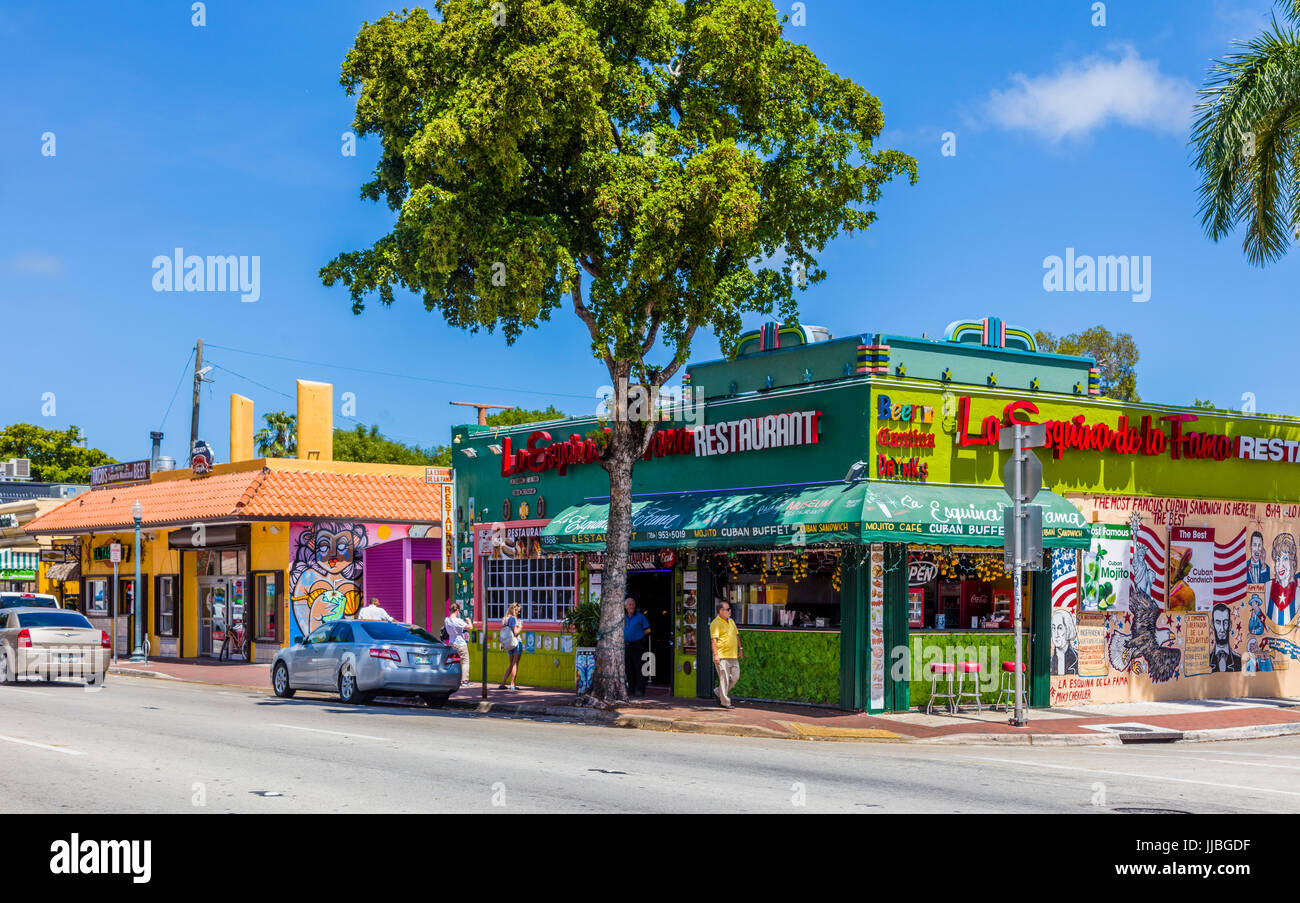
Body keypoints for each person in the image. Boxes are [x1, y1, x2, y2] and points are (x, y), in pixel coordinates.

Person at [710, 600, 743, 708]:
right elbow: (714, 640)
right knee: (724, 680)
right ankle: (725, 702)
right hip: (722, 656)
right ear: (721, 611)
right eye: (728, 609)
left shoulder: (731, 621)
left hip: (733, 655)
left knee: (735, 677)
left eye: (729, 609)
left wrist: (740, 648)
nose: (730, 611)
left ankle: (718, 692)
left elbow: (736, 636)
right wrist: (715, 655)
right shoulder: (715, 623)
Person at [623, 597, 652, 697]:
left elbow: (648, 630)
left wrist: (639, 636)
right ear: (625, 606)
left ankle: (640, 689)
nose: (632, 606)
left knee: (639, 668)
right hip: (626, 645)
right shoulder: (623, 617)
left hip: (637, 645)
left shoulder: (640, 616)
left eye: (633, 604)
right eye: (629, 604)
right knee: (628, 668)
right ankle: (631, 689)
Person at [444, 602, 474, 687]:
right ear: (457, 610)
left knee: (452, 662)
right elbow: (470, 627)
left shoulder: (446, 620)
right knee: (465, 661)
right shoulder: (458, 621)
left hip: (451, 643)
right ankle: (465, 680)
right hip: (460, 643)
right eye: (459, 611)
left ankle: (450, 679)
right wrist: (469, 621)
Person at [1210, 602, 1241, 673]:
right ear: (1212, 624)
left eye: (1225, 623)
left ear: (1230, 625)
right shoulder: (1206, 660)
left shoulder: (1239, 660)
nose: (1222, 629)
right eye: (1218, 622)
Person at [499, 602, 523, 690]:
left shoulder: (504, 619)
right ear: (514, 610)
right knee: (515, 663)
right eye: (518, 611)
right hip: (516, 643)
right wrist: (520, 626)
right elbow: (516, 632)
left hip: (508, 644)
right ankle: (512, 684)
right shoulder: (513, 619)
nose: (519, 613)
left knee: (511, 664)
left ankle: (503, 683)